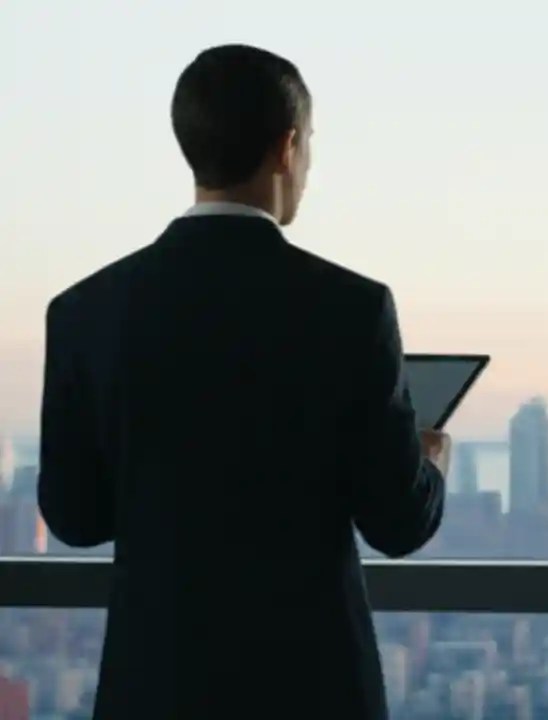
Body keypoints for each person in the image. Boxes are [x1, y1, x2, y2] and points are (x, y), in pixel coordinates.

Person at [36, 44, 447, 719]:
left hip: (155, 688)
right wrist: (430, 464)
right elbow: (398, 524)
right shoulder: (352, 309)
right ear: (288, 147)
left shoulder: (86, 312)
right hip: (313, 691)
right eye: (310, 143)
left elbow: (75, 519)